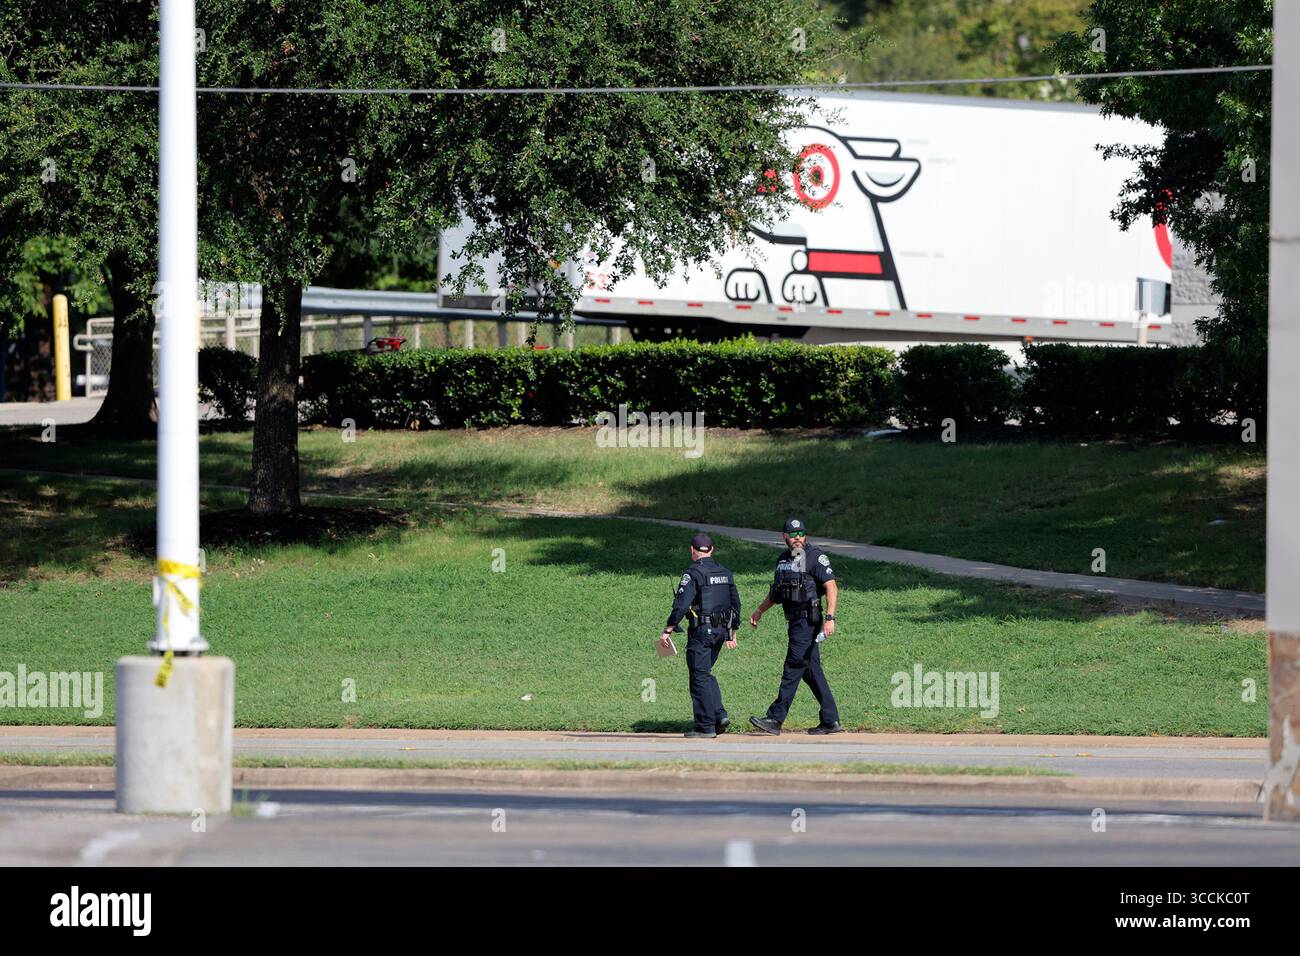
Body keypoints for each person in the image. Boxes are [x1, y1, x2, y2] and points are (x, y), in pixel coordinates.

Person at [748, 518, 842, 735]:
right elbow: (777, 592)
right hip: (794, 621)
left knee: (793, 667)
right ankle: (830, 720)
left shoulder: (815, 556)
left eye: (801, 533)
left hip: (808, 621)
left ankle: (774, 718)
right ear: (785, 537)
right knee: (811, 671)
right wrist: (760, 610)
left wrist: (830, 618)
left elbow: (832, 587)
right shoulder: (783, 560)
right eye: (793, 534)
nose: (797, 537)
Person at [660, 532, 740, 738]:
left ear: (692, 551)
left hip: (702, 631)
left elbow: (681, 604)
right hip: (721, 631)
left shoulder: (692, 573)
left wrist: (669, 628)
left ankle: (705, 727)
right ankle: (719, 716)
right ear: (712, 550)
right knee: (704, 673)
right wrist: (733, 632)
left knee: (698, 677)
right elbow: (735, 604)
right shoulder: (725, 572)